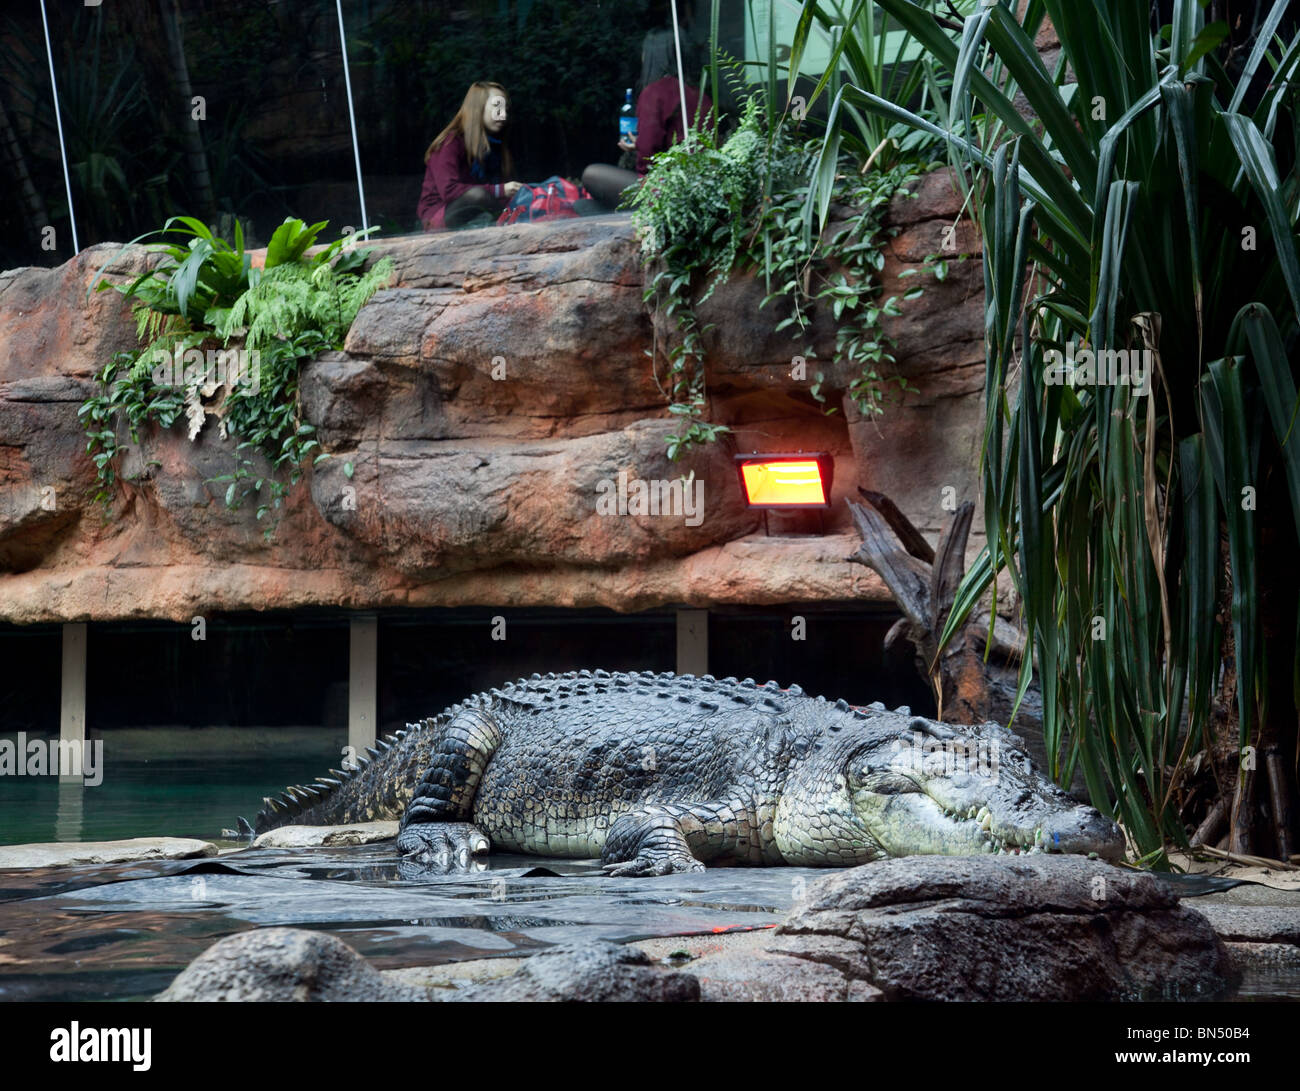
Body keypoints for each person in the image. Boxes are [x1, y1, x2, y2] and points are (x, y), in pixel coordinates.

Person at [581, 30, 714, 211]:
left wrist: (639, 147)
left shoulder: (655, 92)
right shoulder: (699, 95)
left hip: (667, 190)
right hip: (698, 188)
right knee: (586, 206)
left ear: (652, 57)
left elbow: (647, 160)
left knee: (591, 175)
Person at [418, 82, 522, 231]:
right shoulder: (450, 143)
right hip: (437, 218)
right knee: (477, 195)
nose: (503, 115)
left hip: (476, 212)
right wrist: (500, 190)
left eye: (505, 109)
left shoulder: (493, 145)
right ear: (477, 108)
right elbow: (449, 191)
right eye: (497, 107)